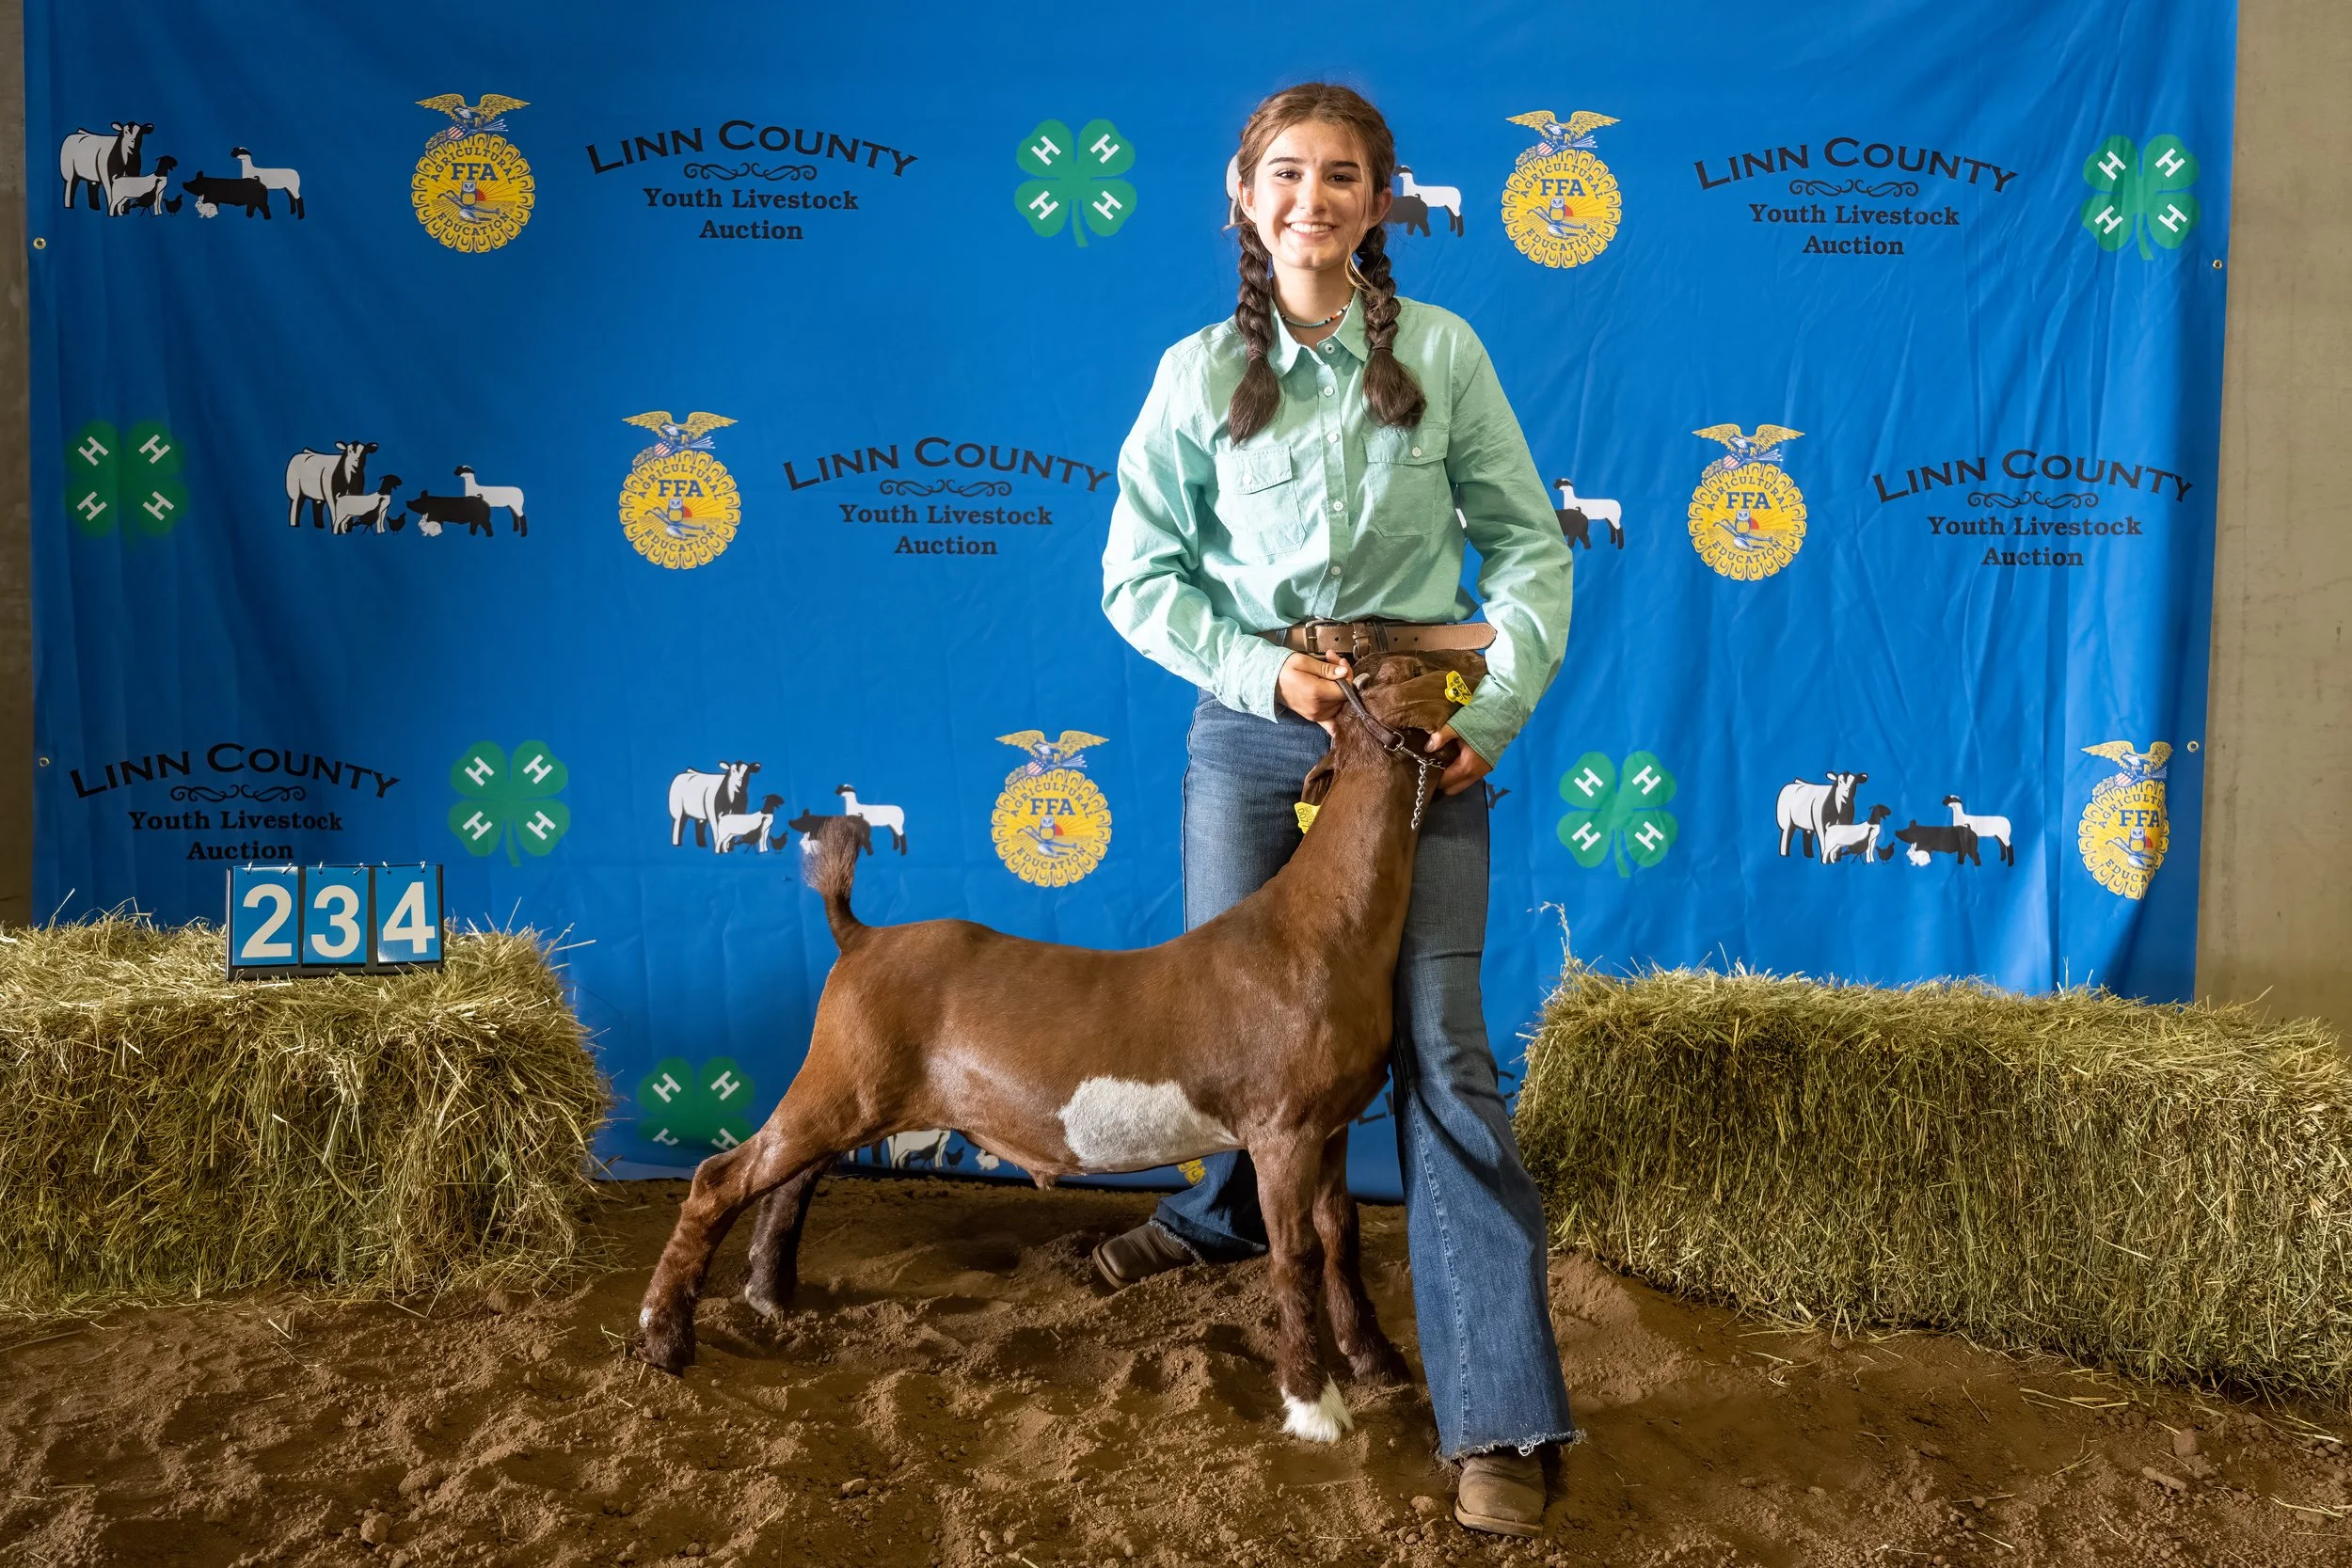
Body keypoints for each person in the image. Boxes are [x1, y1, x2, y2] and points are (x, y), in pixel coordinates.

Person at [1097, 82, 1578, 1538]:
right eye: (1288, 175)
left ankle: (1494, 1409)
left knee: (1439, 1047)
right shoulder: (1197, 374)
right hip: (1255, 732)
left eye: (1346, 177)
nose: (1316, 198)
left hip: (1413, 741)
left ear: (1380, 203)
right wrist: (1262, 671)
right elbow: (1138, 577)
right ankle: (1227, 1215)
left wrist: (1480, 720)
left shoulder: (1441, 352)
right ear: (1245, 199)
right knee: (1237, 1039)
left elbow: (1531, 557)